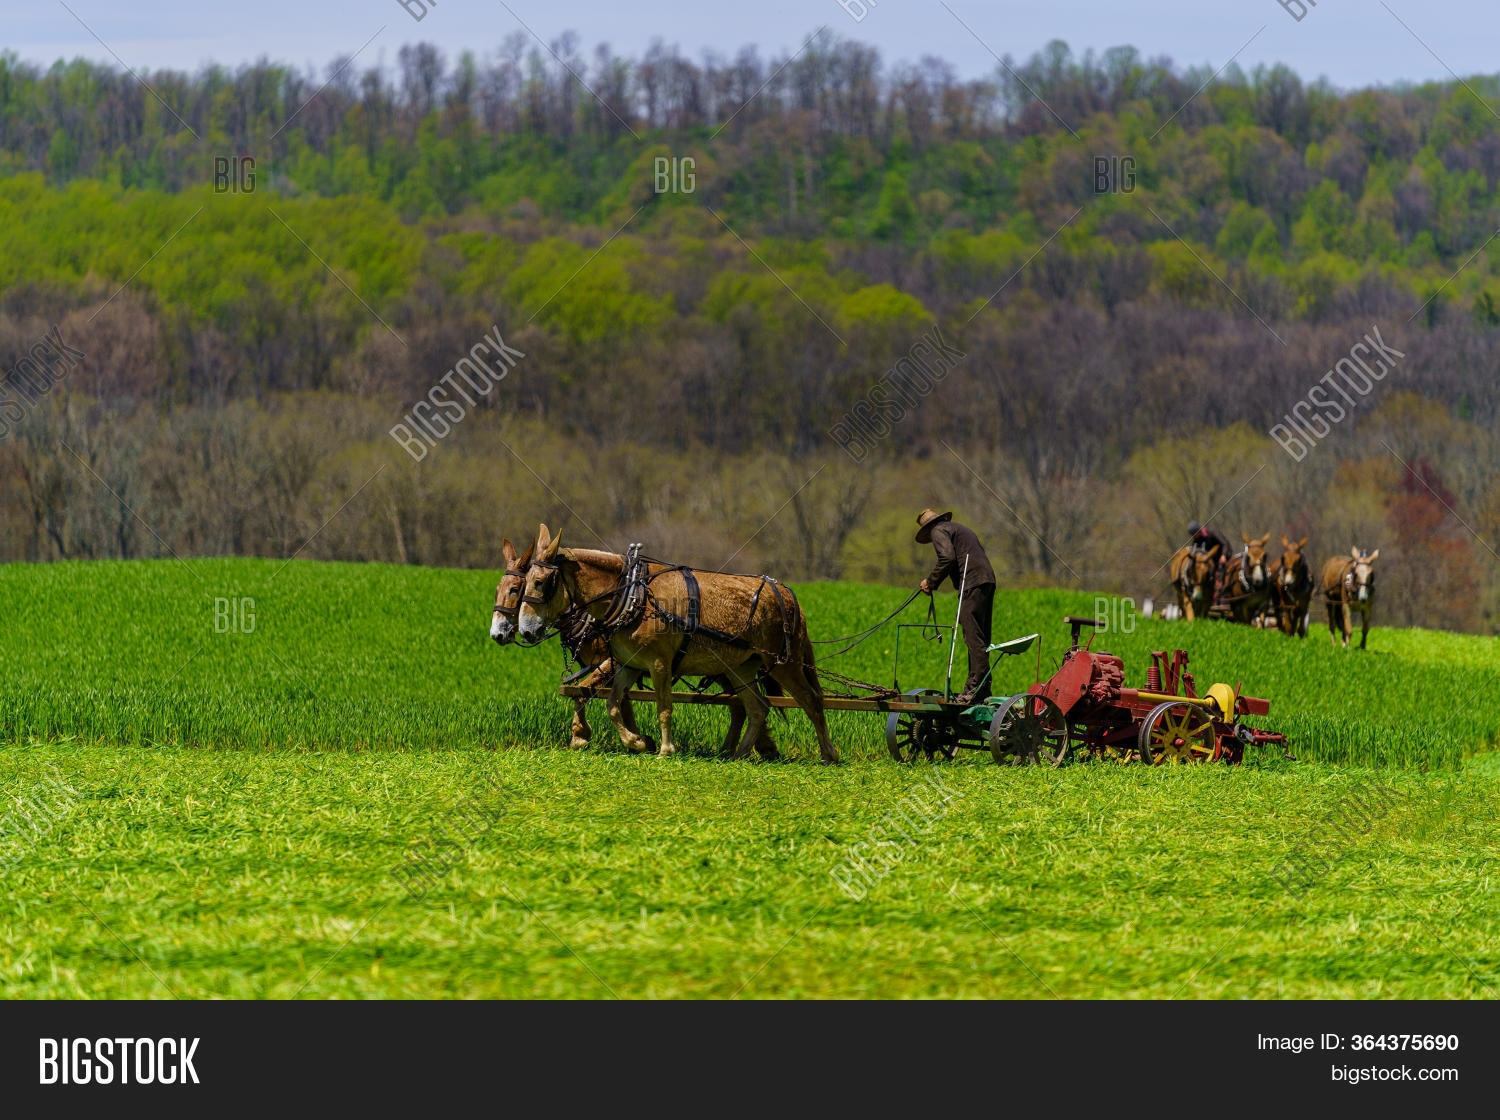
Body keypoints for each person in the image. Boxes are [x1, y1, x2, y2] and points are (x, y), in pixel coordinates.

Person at [915, 508, 997, 704]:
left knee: (972, 635)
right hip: (986, 580)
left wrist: (931, 581)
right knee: (981, 636)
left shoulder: (938, 531)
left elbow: (947, 558)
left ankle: (975, 688)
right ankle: (982, 687)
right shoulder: (957, 529)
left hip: (972, 582)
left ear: (928, 528)